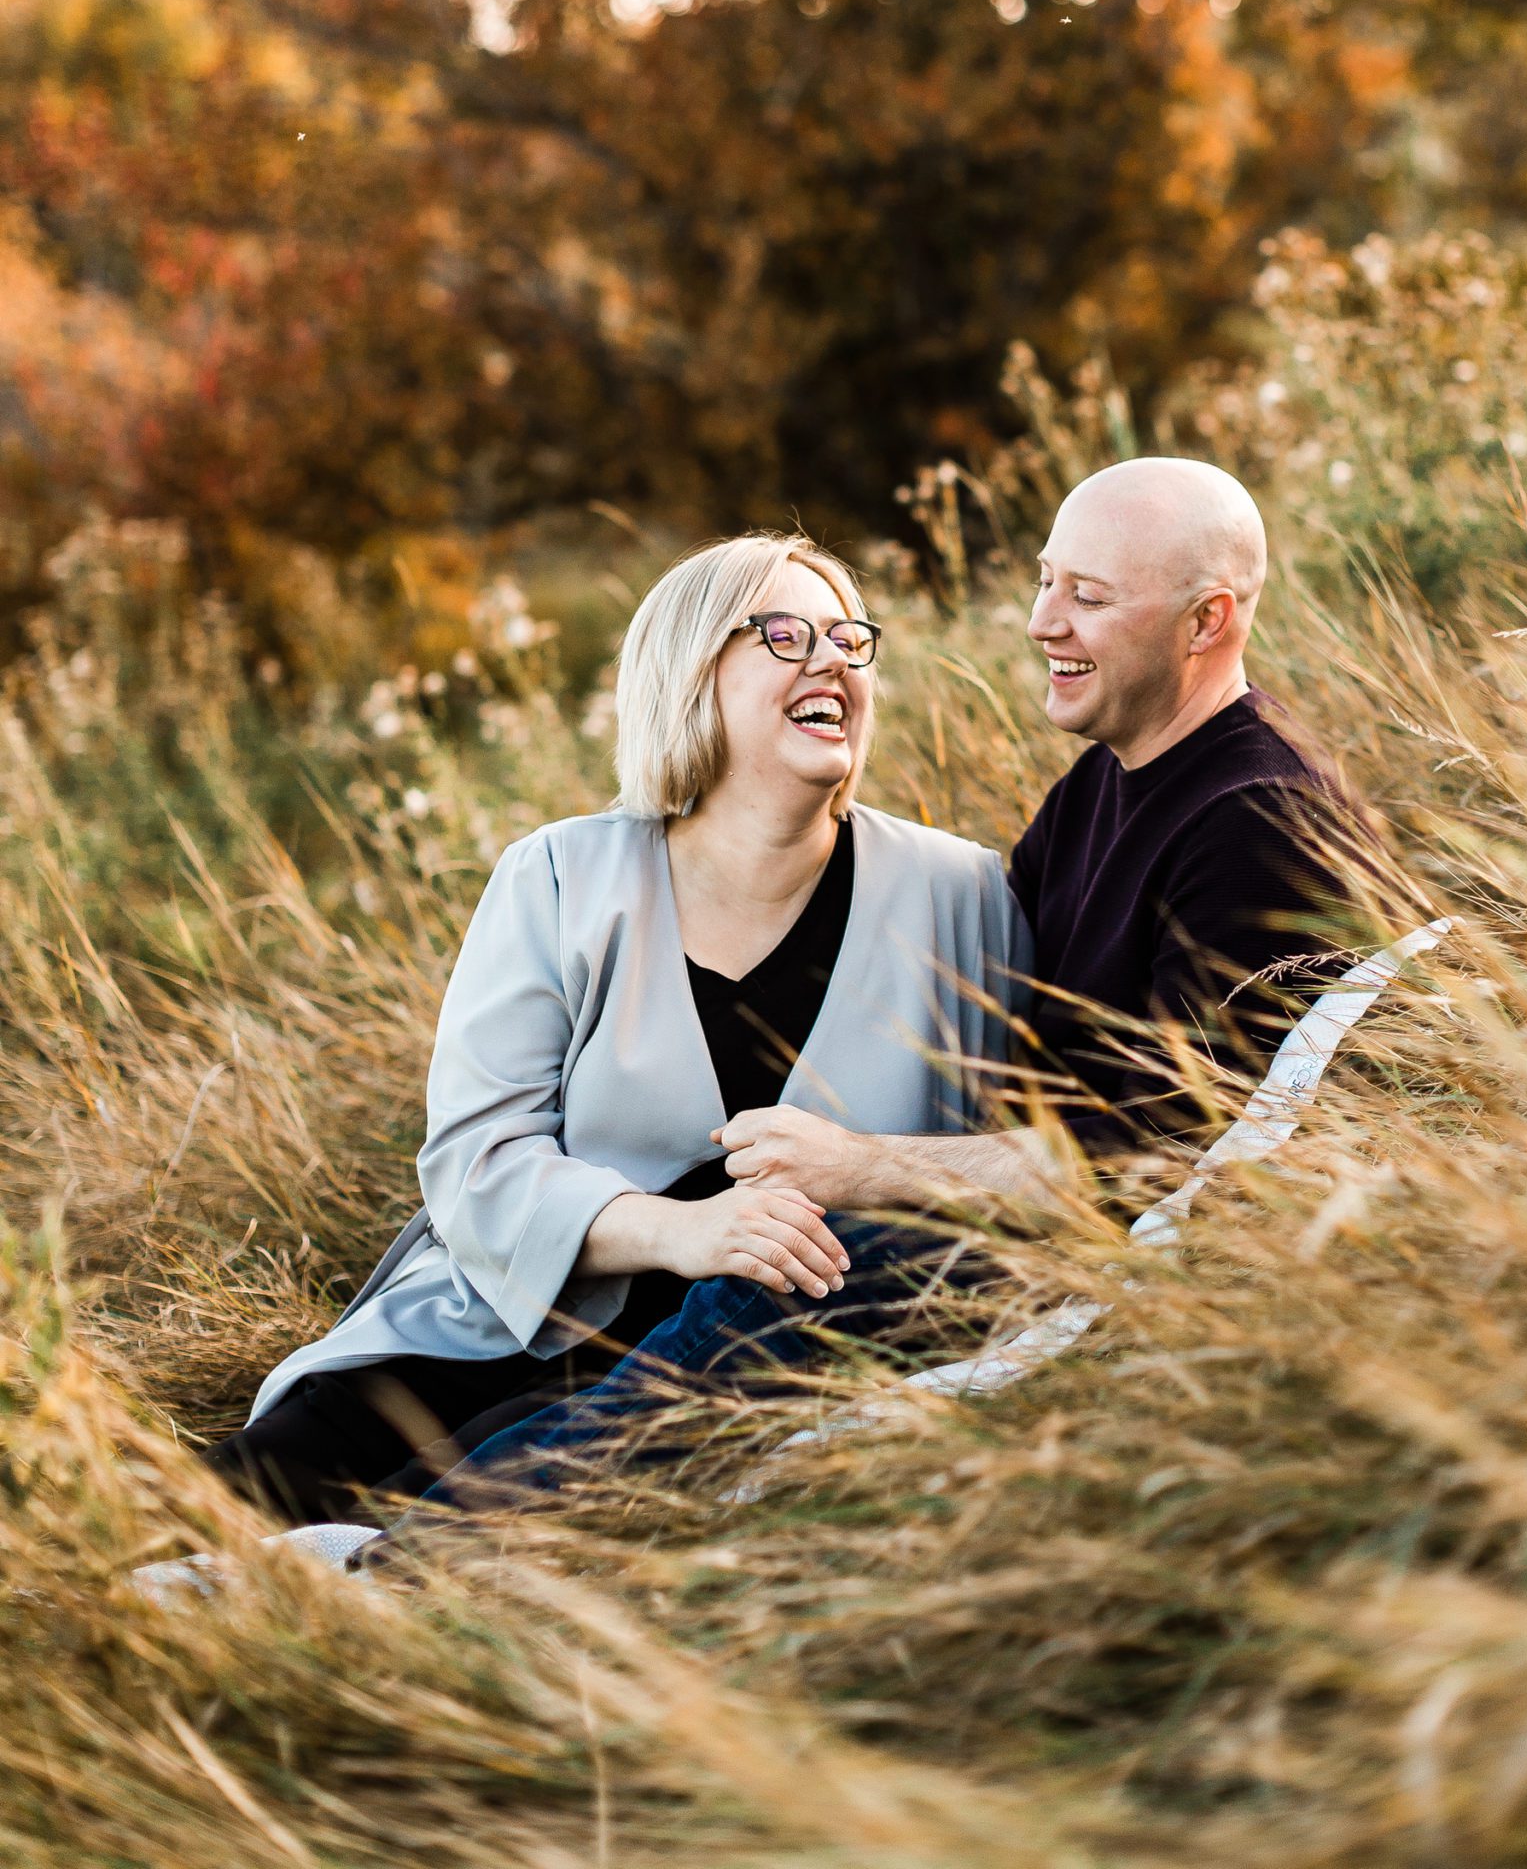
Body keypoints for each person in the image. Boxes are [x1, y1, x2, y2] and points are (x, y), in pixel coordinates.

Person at [377, 454, 1358, 1526]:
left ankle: (417, 1559)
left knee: (779, 1289)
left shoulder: (1258, 815)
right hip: (991, 1229)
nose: (1043, 621)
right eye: (1044, 581)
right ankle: (362, 1527)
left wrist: (865, 1165)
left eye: (1088, 595)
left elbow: (1164, 1155)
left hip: (1104, 1274)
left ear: (1206, 620)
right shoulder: (1104, 788)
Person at [206, 531, 1026, 1524]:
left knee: (428, 1543)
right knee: (229, 1507)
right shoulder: (557, 877)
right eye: (783, 634)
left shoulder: (963, 894)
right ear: (688, 675)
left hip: (756, 1362)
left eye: (850, 640)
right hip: (502, 1324)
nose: (832, 662)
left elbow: (1006, 1166)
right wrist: (687, 1232)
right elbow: (478, 1163)